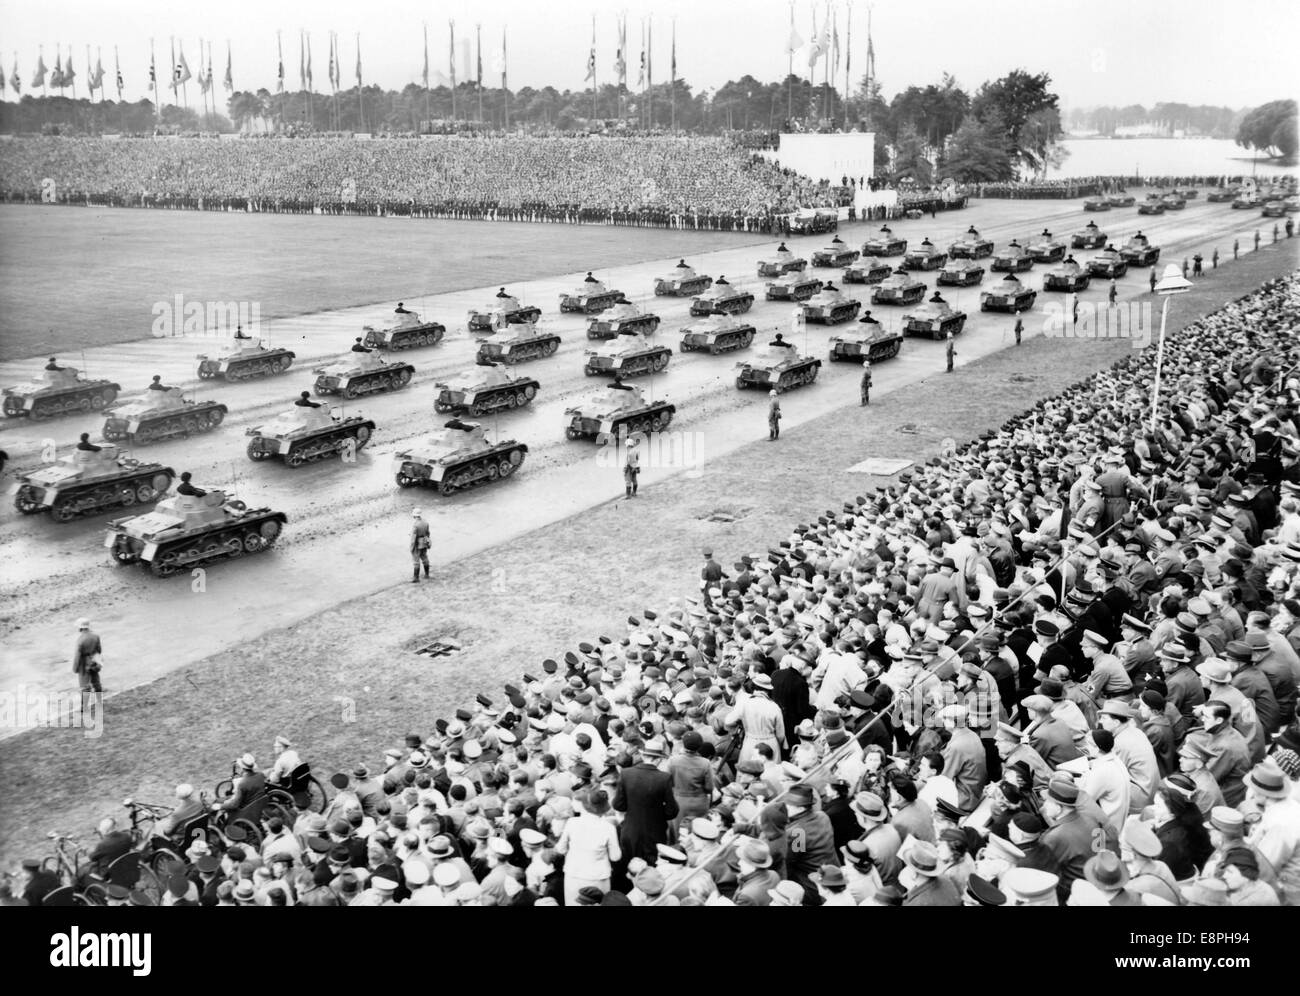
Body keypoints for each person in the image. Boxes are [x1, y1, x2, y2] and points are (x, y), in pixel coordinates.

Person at [73, 617, 103, 716]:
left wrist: (75, 667)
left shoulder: (80, 640)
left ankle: (84, 707)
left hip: (83, 663)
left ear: (80, 628)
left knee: (84, 686)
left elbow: (77, 656)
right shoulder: (96, 636)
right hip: (93, 661)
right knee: (96, 682)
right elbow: (99, 650)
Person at [410, 509, 431, 583]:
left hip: (417, 544)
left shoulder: (415, 525)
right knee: (425, 558)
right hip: (424, 543)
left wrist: (411, 547)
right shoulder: (425, 522)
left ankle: (416, 578)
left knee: (416, 561)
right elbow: (428, 533)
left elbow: (413, 538)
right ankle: (427, 574)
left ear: (414, 515)